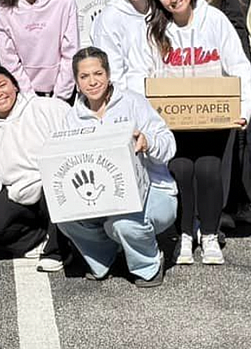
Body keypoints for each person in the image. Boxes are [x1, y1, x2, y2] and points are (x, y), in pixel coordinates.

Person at [146, 0, 250, 268]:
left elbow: (239, 65)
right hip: (173, 121)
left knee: (208, 170)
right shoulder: (155, 30)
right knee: (181, 171)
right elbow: (146, 74)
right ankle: (184, 234)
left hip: (212, 117)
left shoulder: (214, 20)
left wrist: (244, 109)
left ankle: (209, 233)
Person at [58, 48, 178, 287]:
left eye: (98, 73)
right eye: (84, 76)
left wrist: (148, 142)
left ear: (108, 74)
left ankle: (148, 264)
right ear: (77, 82)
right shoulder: (72, 118)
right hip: (101, 195)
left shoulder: (133, 102)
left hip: (152, 190)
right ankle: (104, 257)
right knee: (66, 218)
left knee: (122, 224)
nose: (92, 82)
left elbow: (169, 143)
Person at [0, 66, 64, 271]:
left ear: (15, 86)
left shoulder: (46, 107)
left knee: (55, 185)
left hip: (52, 183)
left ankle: (57, 250)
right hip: (18, 192)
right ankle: (39, 239)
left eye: (2, 85)